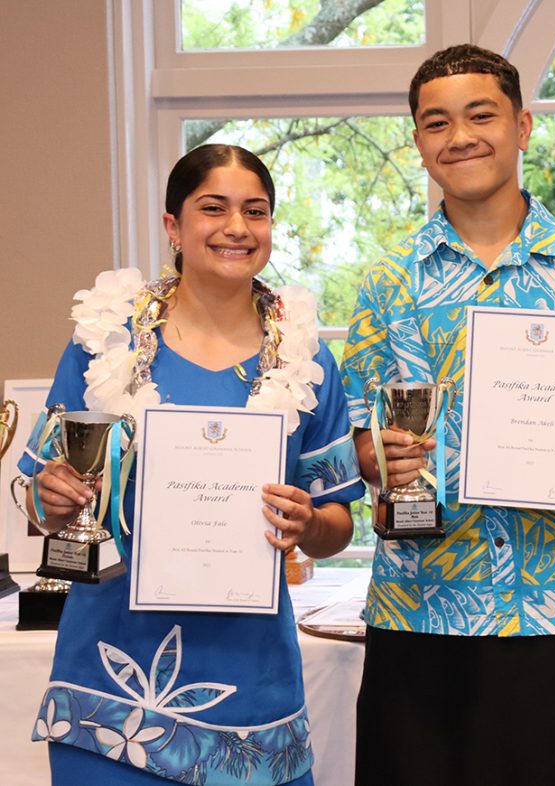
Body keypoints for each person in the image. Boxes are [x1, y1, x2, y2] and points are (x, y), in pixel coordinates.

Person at [341, 44, 555, 786]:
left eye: (481, 115)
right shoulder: (387, 281)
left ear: (523, 125)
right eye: (435, 122)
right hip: (422, 607)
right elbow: (352, 444)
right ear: (418, 141)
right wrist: (375, 456)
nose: (460, 137)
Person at [18, 144, 363, 785]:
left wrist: (305, 524)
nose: (237, 227)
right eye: (214, 208)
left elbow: (338, 521)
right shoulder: (103, 340)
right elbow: (40, 503)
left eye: (255, 212)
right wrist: (53, 497)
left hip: (251, 684)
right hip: (112, 686)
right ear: (174, 226)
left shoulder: (307, 357)